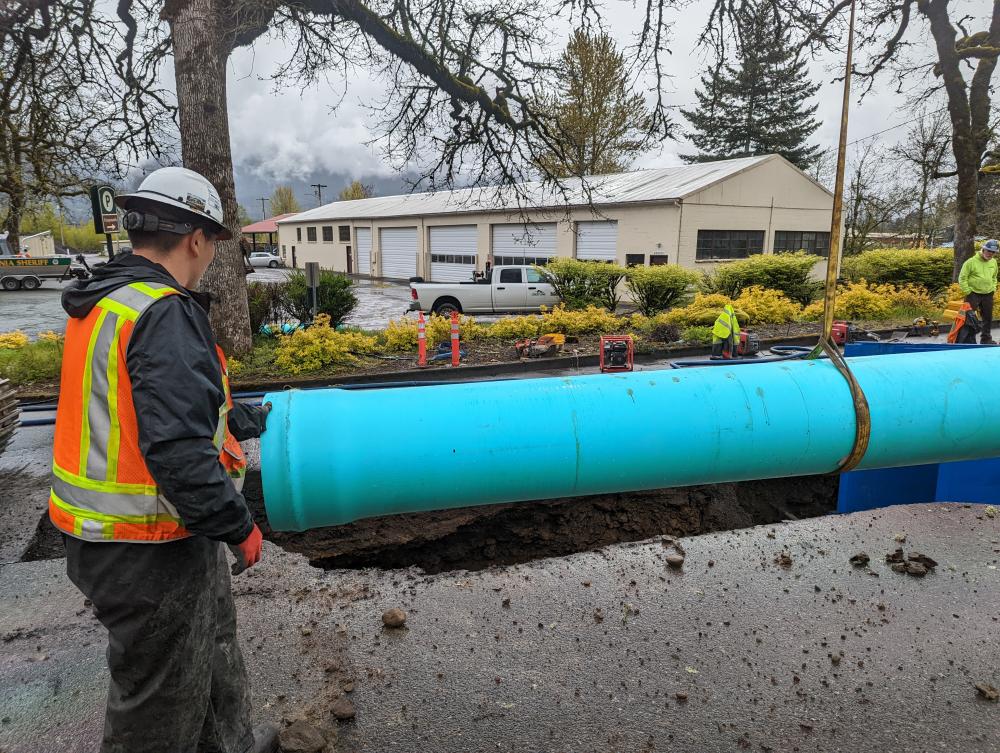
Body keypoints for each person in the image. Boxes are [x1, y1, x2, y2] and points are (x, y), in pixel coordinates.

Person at [49, 166, 278, 753]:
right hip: (145, 544)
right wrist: (238, 526)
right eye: (214, 244)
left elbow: (140, 406)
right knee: (160, 703)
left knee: (211, 649)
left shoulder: (108, 300)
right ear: (196, 239)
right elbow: (177, 449)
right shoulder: (163, 312)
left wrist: (240, 417)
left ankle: (233, 745)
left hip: (131, 536)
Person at [958, 239, 998, 344]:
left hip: (988, 294)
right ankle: (968, 341)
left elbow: (994, 277)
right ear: (983, 249)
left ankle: (986, 339)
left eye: (993, 252)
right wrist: (968, 291)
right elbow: (962, 278)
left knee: (987, 318)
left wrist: (993, 288)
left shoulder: (993, 262)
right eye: (989, 251)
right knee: (968, 317)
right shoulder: (971, 262)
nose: (990, 254)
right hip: (973, 294)